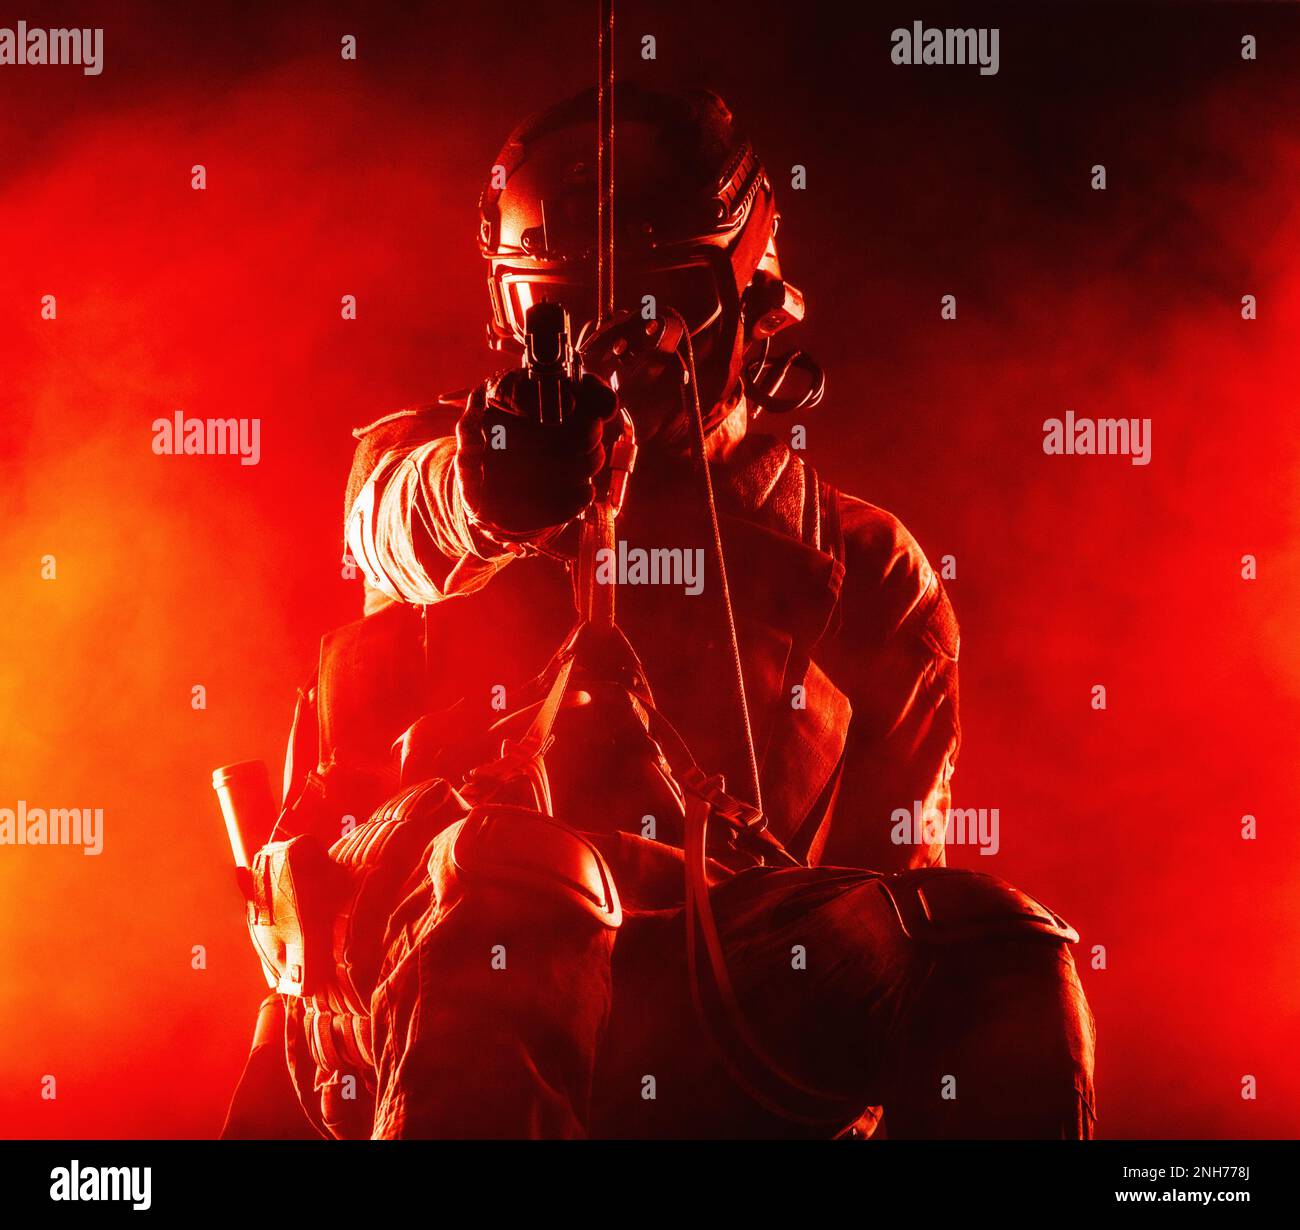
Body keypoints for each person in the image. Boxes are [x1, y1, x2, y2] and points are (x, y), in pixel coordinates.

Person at [221, 85, 1094, 1141]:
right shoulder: (432, 473)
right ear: (510, 313)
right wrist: (497, 489)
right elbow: (399, 520)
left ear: (752, 296)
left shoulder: (862, 567)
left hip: (709, 973)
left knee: (990, 950)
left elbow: (886, 893)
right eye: (561, 303)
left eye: (658, 297)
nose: (610, 341)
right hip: (419, 958)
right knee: (516, 879)